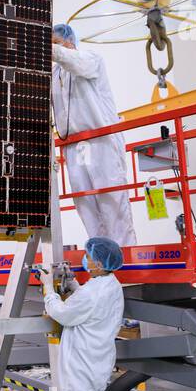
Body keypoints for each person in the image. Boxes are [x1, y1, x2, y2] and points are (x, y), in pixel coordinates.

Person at [33, 235, 136, 391]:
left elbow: (63, 313)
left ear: (99, 263)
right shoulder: (110, 284)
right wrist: (74, 284)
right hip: (97, 361)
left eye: (89, 256)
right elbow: (88, 304)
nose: (85, 259)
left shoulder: (94, 291)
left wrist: (48, 288)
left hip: (81, 364)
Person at [50, 23, 137, 248]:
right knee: (85, 201)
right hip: (74, 146)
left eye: (56, 43)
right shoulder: (55, 74)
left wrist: (47, 47)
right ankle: (101, 256)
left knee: (111, 200)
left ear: (69, 42)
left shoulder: (90, 59)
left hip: (102, 140)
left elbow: (75, 62)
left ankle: (124, 255)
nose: (53, 50)